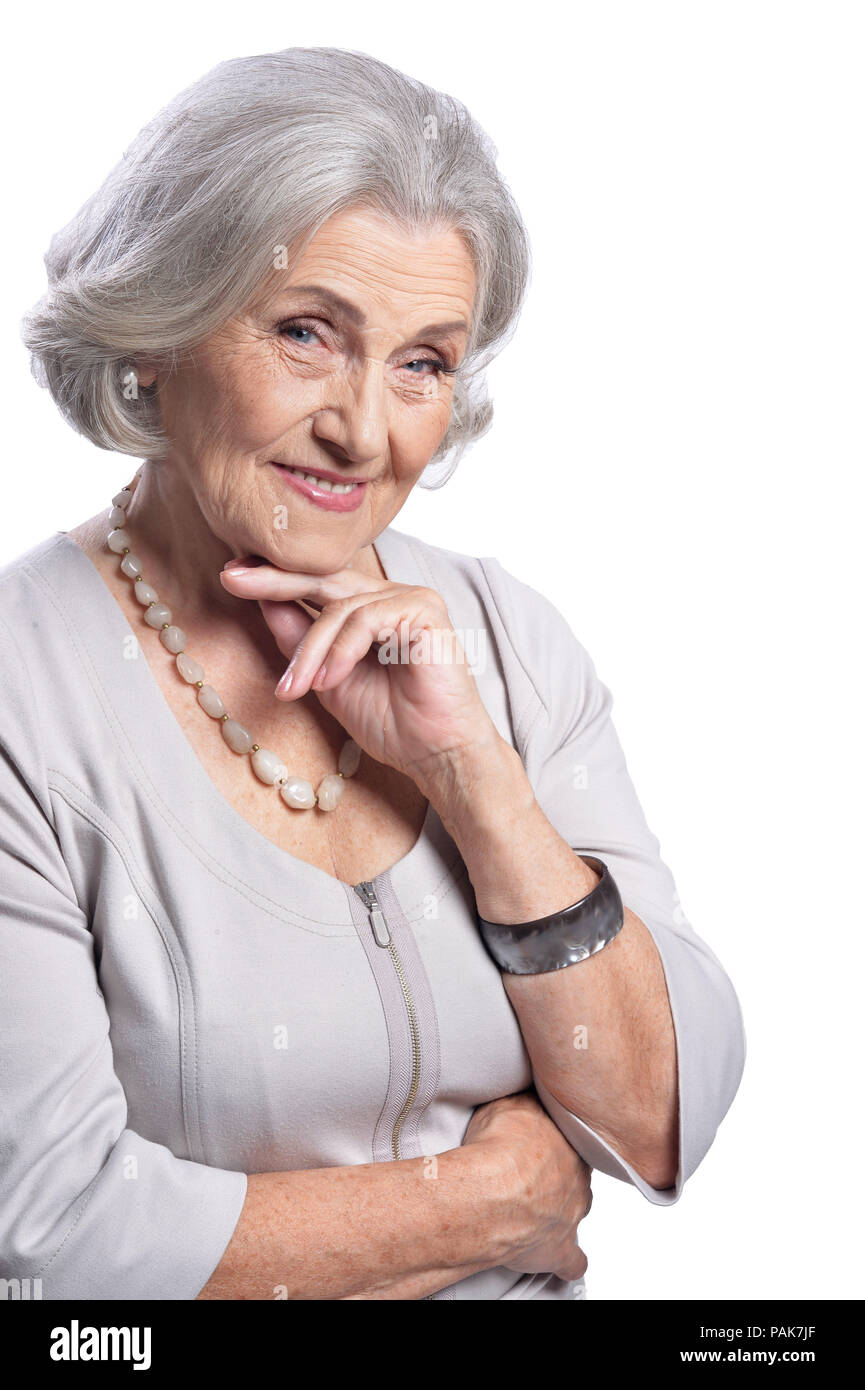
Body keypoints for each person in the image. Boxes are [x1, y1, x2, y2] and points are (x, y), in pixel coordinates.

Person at [0, 47, 745, 1301]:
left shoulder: (504, 638)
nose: (364, 428)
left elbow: (657, 1122)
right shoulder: (24, 693)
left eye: (422, 362)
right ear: (159, 330)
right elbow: (55, 1245)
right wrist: (488, 1203)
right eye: (306, 333)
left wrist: (473, 778)